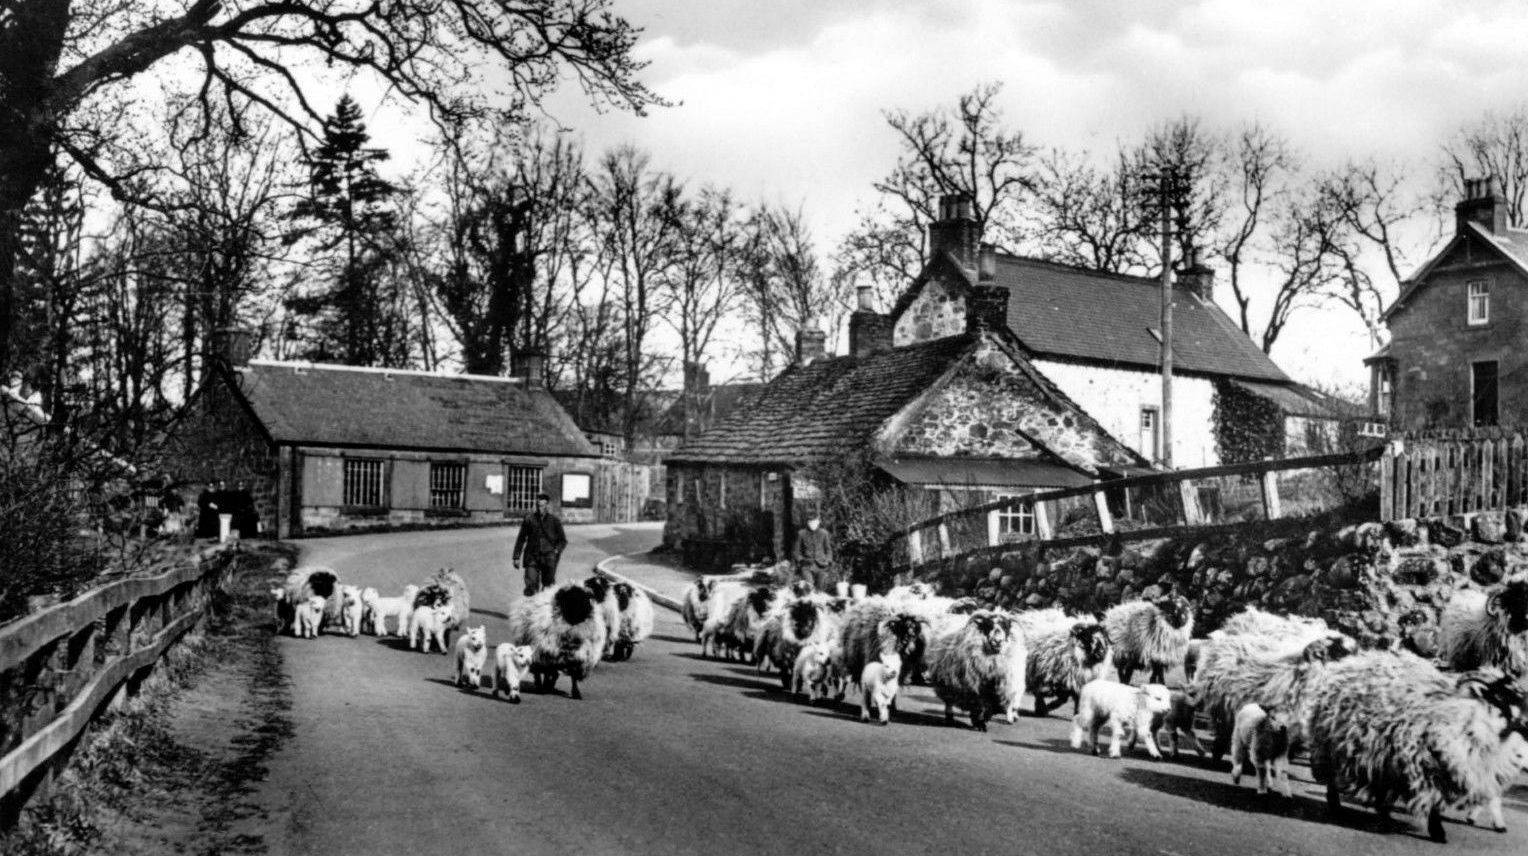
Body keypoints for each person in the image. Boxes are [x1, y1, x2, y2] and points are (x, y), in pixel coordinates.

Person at [513, 493, 567, 597]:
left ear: (547, 506)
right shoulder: (529, 519)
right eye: (537, 505)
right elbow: (521, 539)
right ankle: (531, 605)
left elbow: (563, 540)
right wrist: (516, 557)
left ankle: (544, 606)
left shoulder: (554, 521)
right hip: (532, 556)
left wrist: (557, 550)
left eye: (542, 506)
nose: (539, 508)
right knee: (531, 586)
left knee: (548, 587)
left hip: (549, 557)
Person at [793, 513, 835, 592]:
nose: (812, 524)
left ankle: (819, 595)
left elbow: (828, 550)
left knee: (820, 589)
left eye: (814, 522)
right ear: (807, 522)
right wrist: (801, 560)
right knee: (809, 587)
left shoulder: (824, 533)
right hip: (807, 566)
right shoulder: (801, 533)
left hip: (821, 565)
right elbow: (796, 551)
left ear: (818, 522)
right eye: (810, 522)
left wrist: (828, 560)